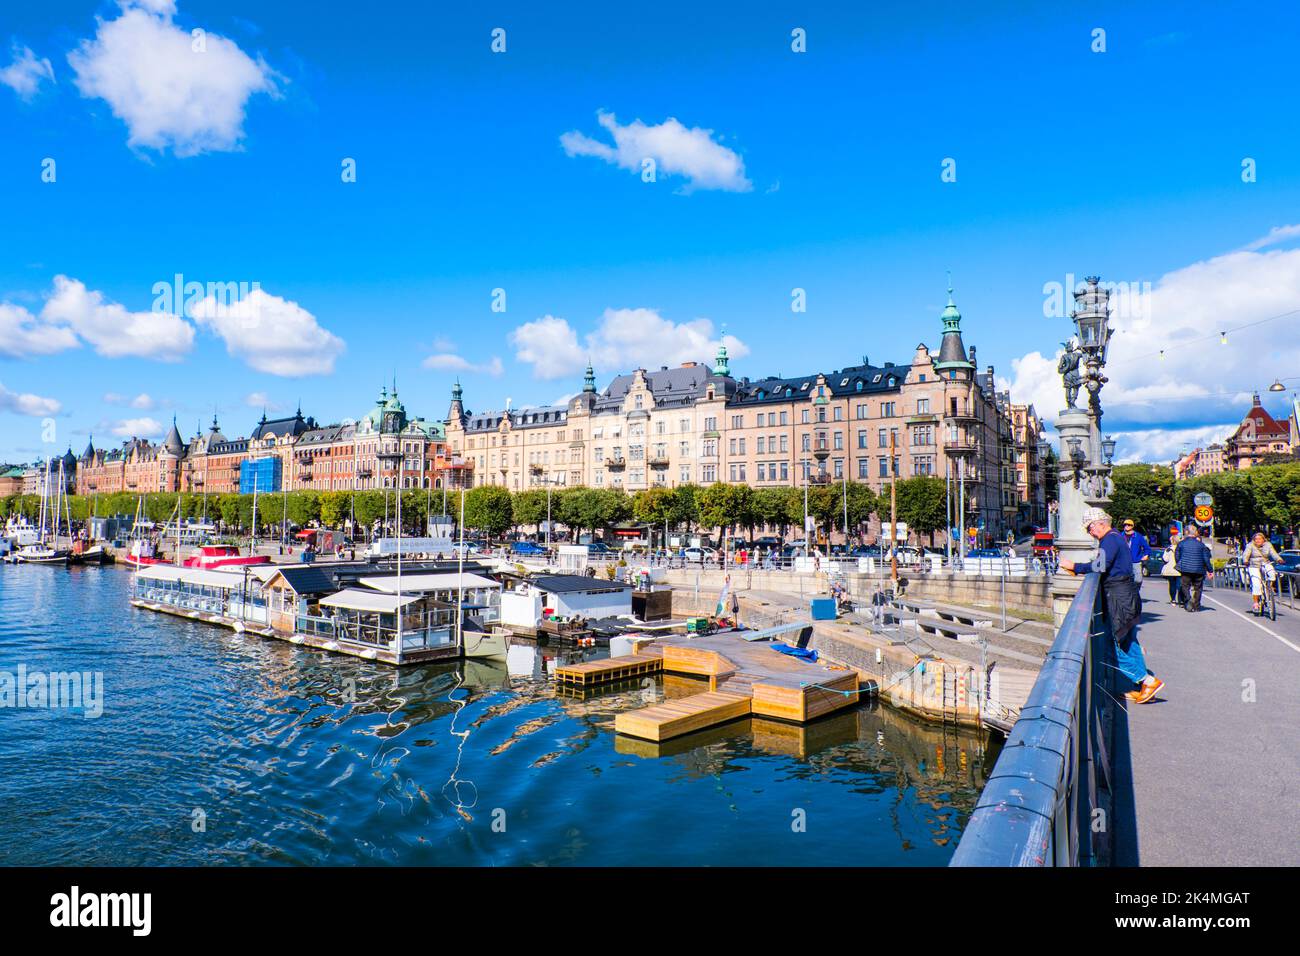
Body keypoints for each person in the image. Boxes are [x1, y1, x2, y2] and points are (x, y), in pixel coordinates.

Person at [1059, 507, 1164, 704]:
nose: (1089, 532)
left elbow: (1100, 566)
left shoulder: (1109, 540)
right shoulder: (1116, 538)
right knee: (1129, 642)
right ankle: (1143, 687)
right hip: (1127, 596)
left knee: (1108, 646)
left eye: (1090, 527)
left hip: (1119, 598)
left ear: (1100, 523)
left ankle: (1147, 680)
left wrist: (1075, 567)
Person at [1174, 523, 1214, 612]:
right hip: (1199, 569)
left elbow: (1177, 556)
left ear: (1187, 532)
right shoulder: (1201, 545)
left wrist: (1180, 564)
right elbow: (1206, 559)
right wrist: (1210, 570)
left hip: (1185, 569)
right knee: (1198, 588)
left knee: (1185, 586)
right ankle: (1196, 606)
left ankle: (1188, 599)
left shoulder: (1181, 544)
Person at [1242, 532, 1282, 614]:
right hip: (1253, 565)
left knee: (1272, 573)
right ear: (1253, 540)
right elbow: (1246, 554)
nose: (1258, 540)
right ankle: (1256, 603)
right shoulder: (1250, 545)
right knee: (1256, 584)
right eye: (1256, 539)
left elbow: (1273, 553)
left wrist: (1279, 559)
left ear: (1263, 539)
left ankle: (1269, 587)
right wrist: (1245, 561)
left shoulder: (1268, 545)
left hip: (1265, 563)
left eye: (1260, 539)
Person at [1122, 519, 1151, 586]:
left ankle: (1136, 591)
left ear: (1132, 526)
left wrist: (1146, 555)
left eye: (1129, 525)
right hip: (1123, 562)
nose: (1127, 526)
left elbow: (1147, 548)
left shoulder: (1138, 536)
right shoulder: (1120, 536)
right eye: (1125, 525)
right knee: (1124, 581)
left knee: (1138, 580)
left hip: (1136, 562)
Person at [1159, 528, 1182, 605]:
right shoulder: (1181, 548)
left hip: (1170, 570)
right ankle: (1181, 600)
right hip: (1179, 570)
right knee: (1180, 586)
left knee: (1172, 585)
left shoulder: (1169, 549)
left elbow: (1165, 559)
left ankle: (1173, 599)